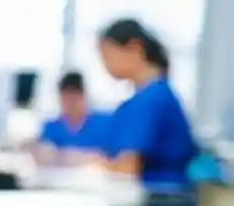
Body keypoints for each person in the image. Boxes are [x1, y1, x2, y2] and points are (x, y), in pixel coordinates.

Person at [96, 18, 197, 188]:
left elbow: (126, 168)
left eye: (108, 56)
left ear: (135, 48)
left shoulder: (153, 99)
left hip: (158, 202)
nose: (105, 65)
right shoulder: (141, 100)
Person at [37, 71, 110, 157]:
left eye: (74, 98)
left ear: (83, 97)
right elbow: (43, 155)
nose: (71, 104)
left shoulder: (104, 123)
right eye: (66, 99)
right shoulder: (51, 128)